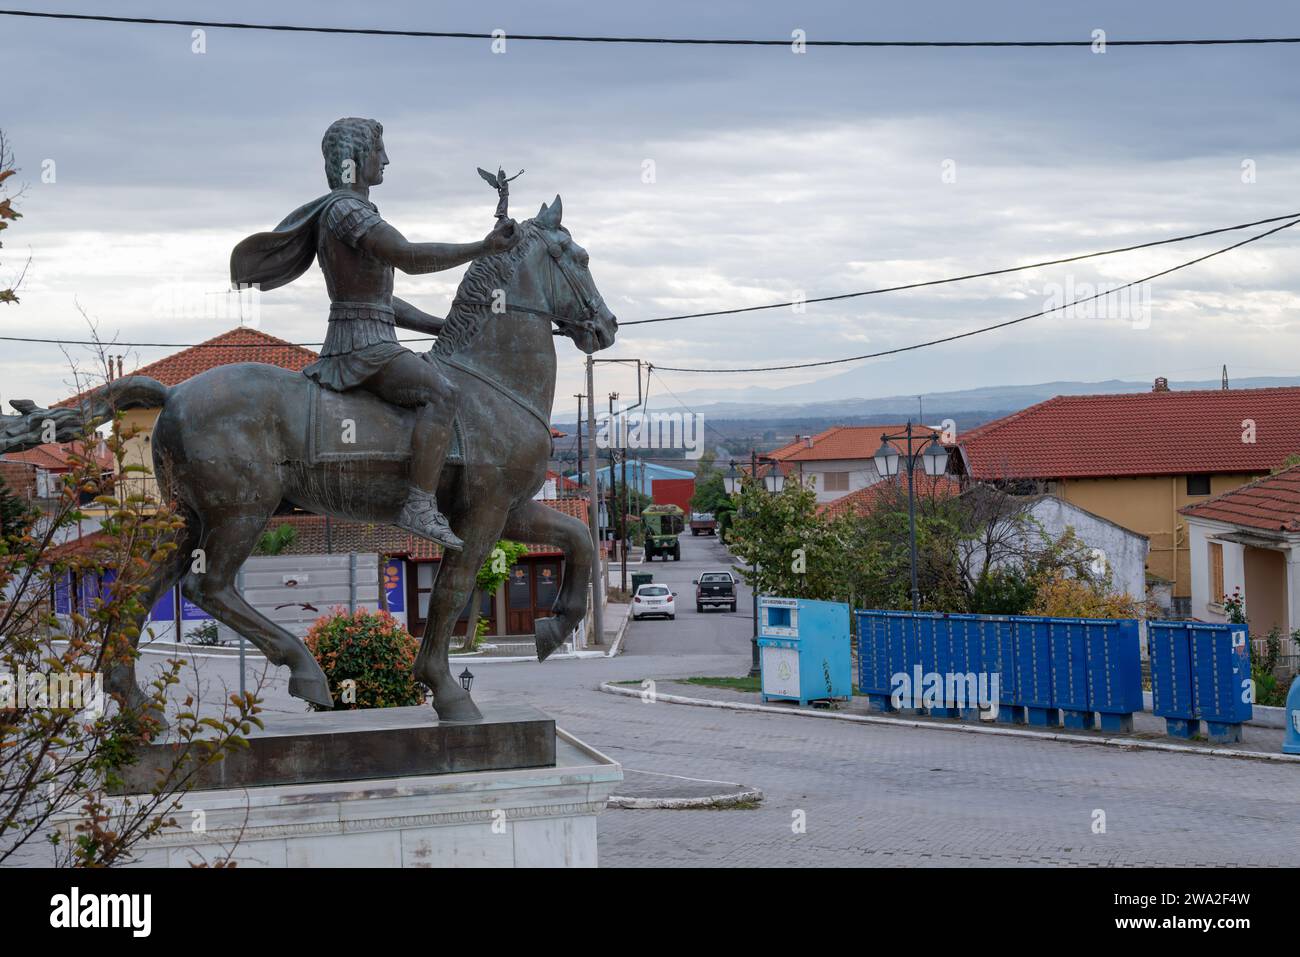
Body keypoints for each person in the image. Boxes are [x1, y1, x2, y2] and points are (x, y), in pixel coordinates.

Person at [231, 117, 518, 550]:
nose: (385, 159)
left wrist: (442, 326)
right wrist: (483, 247)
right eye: (378, 150)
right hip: (362, 349)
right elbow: (408, 257)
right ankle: (419, 504)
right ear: (355, 159)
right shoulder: (347, 210)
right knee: (442, 394)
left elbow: (382, 303)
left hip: (371, 337)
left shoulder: (354, 211)